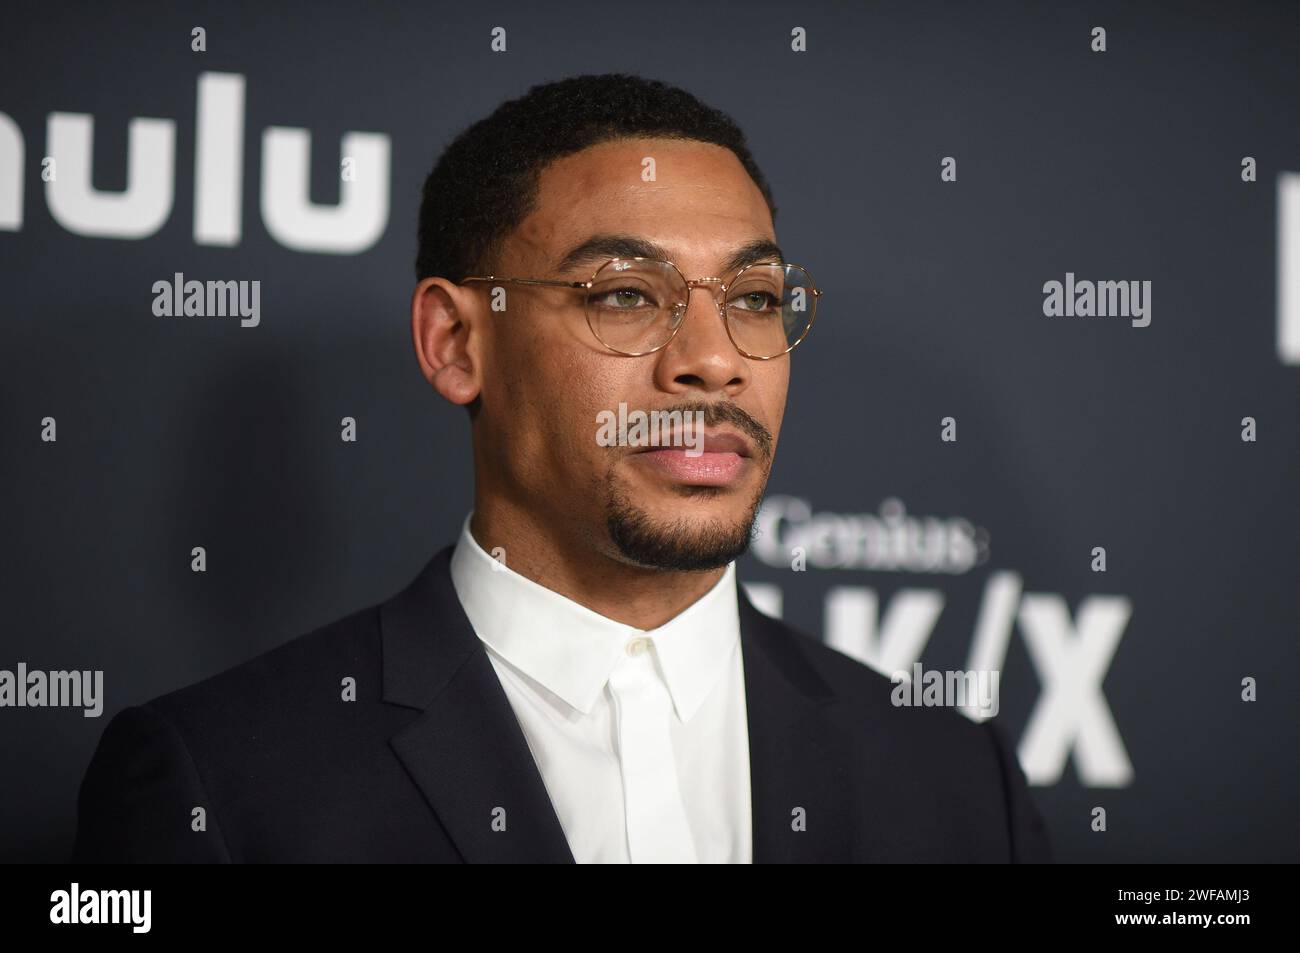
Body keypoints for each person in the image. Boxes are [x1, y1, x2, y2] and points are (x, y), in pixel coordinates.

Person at [72, 72, 1051, 863]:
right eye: (625, 293)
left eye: (753, 297)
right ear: (457, 342)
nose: (713, 357)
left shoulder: (959, 781)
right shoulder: (219, 780)